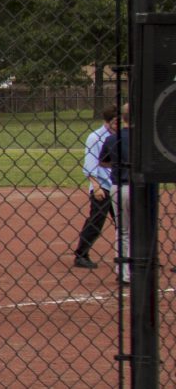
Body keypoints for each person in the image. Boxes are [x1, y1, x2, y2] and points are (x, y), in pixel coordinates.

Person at [72, 105, 119, 269]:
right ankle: (81, 254)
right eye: (114, 122)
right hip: (102, 185)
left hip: (117, 184)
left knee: (124, 222)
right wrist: (96, 187)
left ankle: (126, 255)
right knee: (96, 221)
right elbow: (90, 164)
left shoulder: (120, 136)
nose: (117, 125)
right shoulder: (95, 138)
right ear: (106, 122)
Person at [103, 102, 131, 287]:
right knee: (141, 229)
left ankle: (123, 272)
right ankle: (141, 267)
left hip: (118, 186)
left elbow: (104, 162)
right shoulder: (145, 137)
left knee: (122, 230)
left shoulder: (113, 138)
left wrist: (119, 164)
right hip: (140, 187)